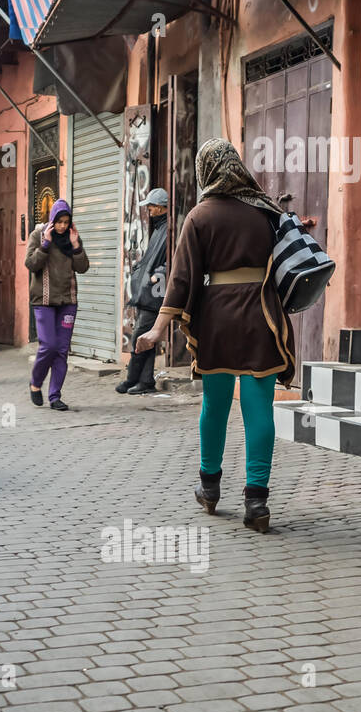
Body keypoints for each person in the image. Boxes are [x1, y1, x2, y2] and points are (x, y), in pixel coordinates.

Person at [134, 138, 300, 533]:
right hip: (262, 315)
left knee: (216, 405)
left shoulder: (199, 216)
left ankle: (209, 488)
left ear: (206, 170)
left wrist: (157, 329)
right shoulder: (265, 211)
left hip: (218, 322)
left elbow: (181, 279)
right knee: (258, 407)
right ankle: (257, 501)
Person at [24, 198, 90, 411]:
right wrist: (45, 243)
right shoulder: (38, 235)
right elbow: (31, 264)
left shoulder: (72, 238)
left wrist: (76, 245)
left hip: (68, 301)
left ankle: (55, 397)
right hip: (43, 301)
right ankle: (35, 383)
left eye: (65, 222)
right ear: (52, 220)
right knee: (49, 346)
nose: (62, 226)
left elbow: (83, 267)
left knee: (61, 350)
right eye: (59, 222)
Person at [117, 187, 170, 395]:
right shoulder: (160, 229)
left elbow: (173, 257)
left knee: (141, 333)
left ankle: (133, 379)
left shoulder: (168, 229)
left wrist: (158, 274)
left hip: (154, 292)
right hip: (148, 291)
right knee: (146, 335)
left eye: (151, 206)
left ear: (160, 208)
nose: (148, 210)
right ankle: (145, 380)